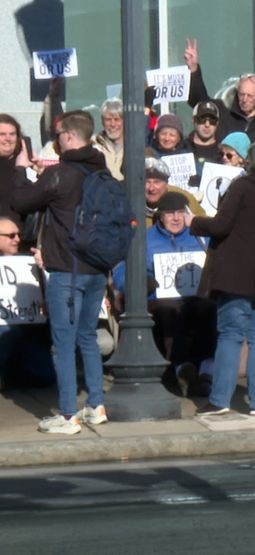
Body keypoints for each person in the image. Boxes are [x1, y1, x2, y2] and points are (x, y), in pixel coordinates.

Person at [11, 110, 111, 435]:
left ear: (67, 136)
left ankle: (68, 415)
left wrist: (22, 169)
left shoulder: (63, 174)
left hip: (67, 269)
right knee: (87, 338)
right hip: (97, 269)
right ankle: (96, 405)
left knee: (63, 343)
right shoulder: (102, 171)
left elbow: (23, 201)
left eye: (59, 136)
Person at [186, 139, 255, 416]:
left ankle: (220, 400)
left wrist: (194, 222)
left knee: (231, 335)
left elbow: (221, 225)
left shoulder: (243, 187)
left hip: (237, 274)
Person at [111, 192, 215, 396]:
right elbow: (121, 268)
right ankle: (182, 369)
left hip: (195, 295)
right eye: (170, 214)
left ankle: (207, 372)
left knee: (209, 309)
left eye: (180, 213)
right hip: (158, 298)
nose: (176, 218)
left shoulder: (202, 237)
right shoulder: (144, 238)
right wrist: (137, 283)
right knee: (170, 311)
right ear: (160, 216)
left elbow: (220, 262)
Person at [184, 38, 255, 142]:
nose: (244, 99)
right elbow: (199, 101)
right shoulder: (223, 110)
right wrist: (193, 69)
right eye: (241, 94)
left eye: (250, 96)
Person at [0, 215, 56, 391]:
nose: (17, 239)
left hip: (30, 329)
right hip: (5, 328)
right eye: (11, 236)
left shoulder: (28, 263)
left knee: (45, 376)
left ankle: (12, 374)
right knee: (7, 331)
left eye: (18, 234)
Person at [144, 157, 205, 227]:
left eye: (156, 182)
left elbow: (203, 226)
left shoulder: (182, 198)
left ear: (166, 183)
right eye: (147, 182)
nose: (151, 188)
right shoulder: (131, 201)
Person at [0, 114, 32, 214]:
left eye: (12, 134)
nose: (8, 138)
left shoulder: (25, 164)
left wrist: (41, 172)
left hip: (21, 225)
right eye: (2, 134)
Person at [93, 98, 125, 180]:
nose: (113, 124)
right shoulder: (93, 145)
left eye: (117, 119)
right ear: (102, 122)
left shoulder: (133, 145)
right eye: (108, 119)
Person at [188, 100, 221, 169]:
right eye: (202, 119)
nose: (207, 125)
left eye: (212, 120)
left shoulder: (224, 152)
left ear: (217, 122)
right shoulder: (183, 147)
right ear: (193, 120)